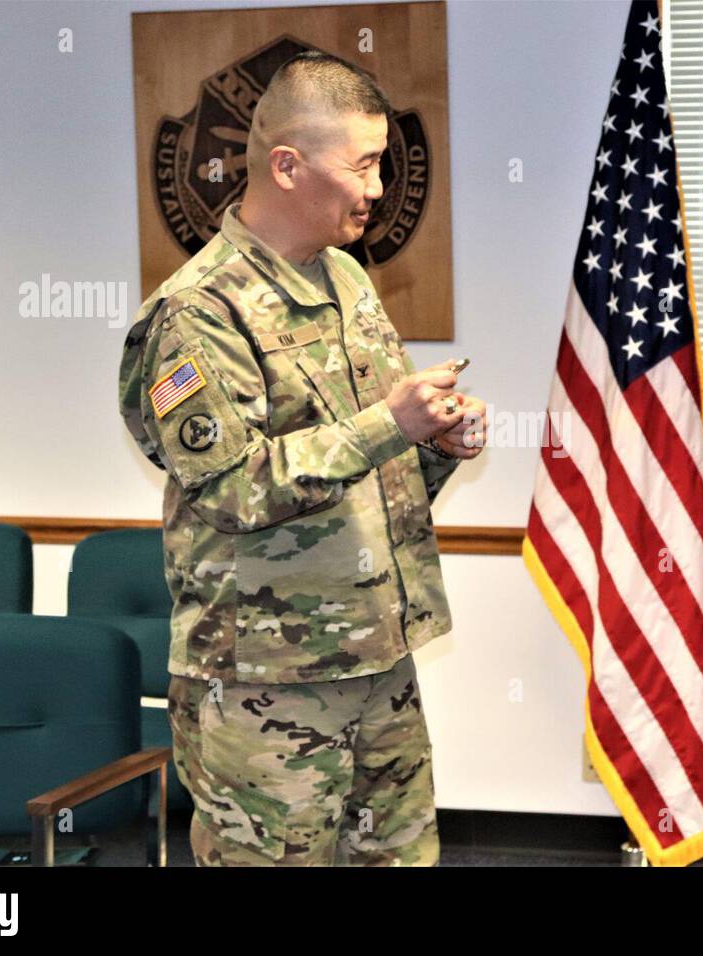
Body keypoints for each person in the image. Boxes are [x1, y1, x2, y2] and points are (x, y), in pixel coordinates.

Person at [117, 51, 486, 866]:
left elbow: (376, 475)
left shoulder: (348, 281)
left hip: (374, 656)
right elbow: (231, 490)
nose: (379, 187)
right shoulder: (199, 312)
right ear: (288, 166)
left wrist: (436, 444)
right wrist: (389, 422)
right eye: (363, 165)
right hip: (262, 682)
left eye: (383, 164)